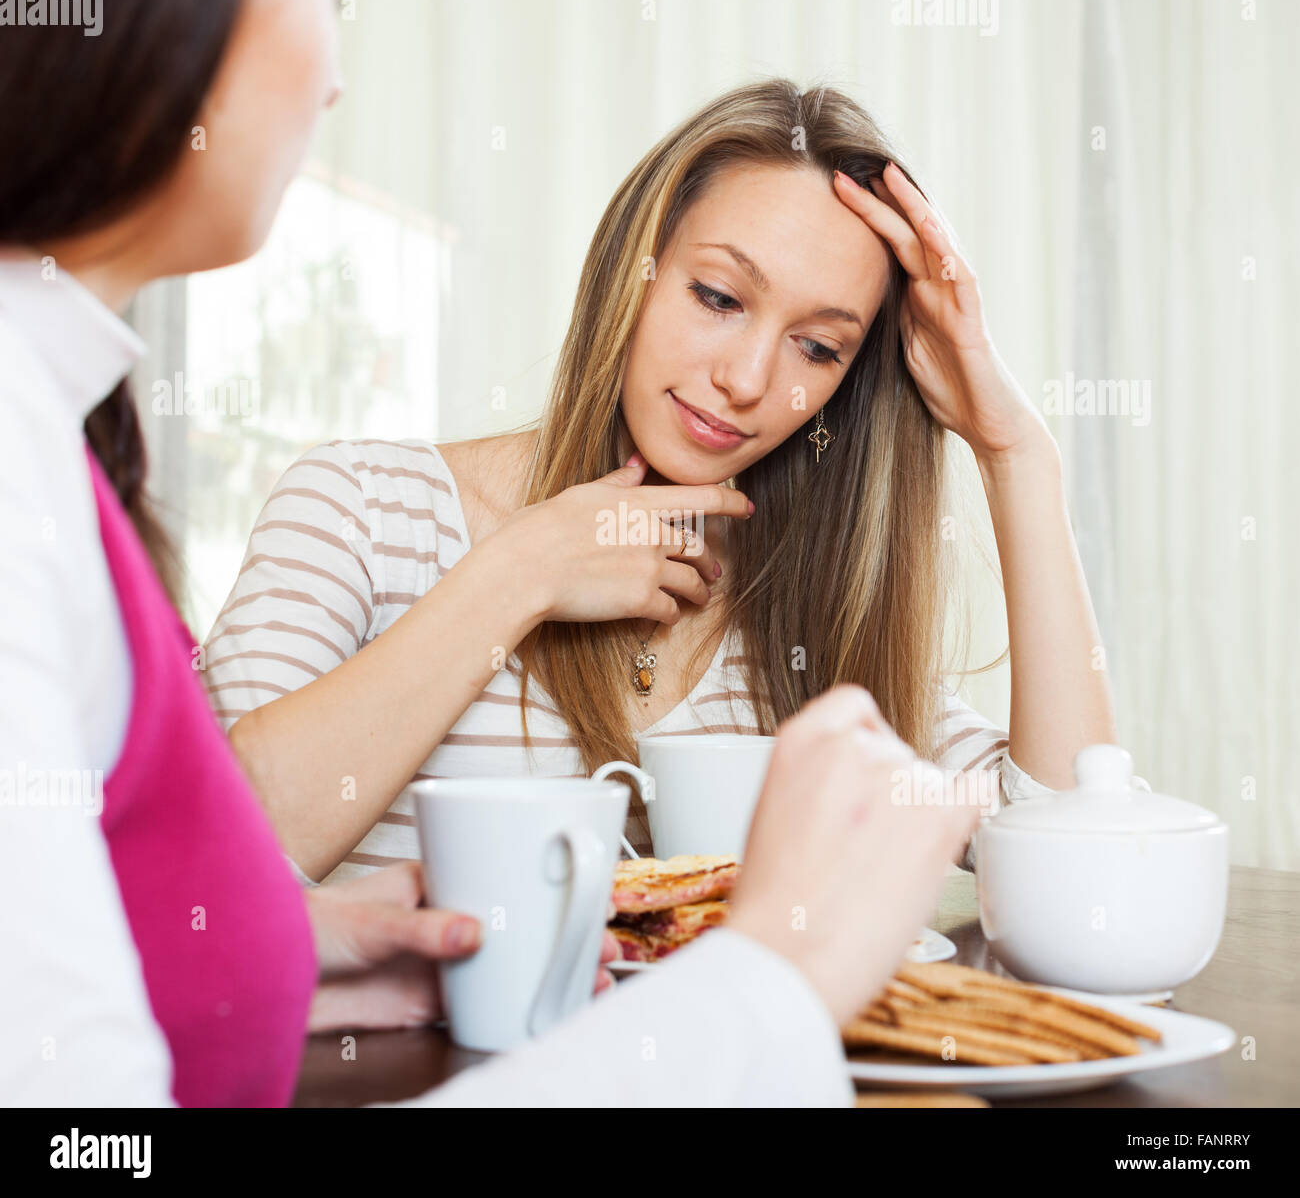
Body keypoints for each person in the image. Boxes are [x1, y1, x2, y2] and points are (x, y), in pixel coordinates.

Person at [1, 0, 980, 1109]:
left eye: (820, 346)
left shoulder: (47, 430)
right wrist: (769, 979)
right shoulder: (271, 492)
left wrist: (1017, 451)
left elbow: (1067, 830)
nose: (333, 84)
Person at [202, 76, 1116, 887]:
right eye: (718, 297)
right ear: (629, 271)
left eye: (819, 346)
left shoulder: (816, 620)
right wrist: (524, 571)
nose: (750, 379)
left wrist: (1015, 454)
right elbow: (219, 860)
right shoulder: (362, 509)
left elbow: (1080, 859)